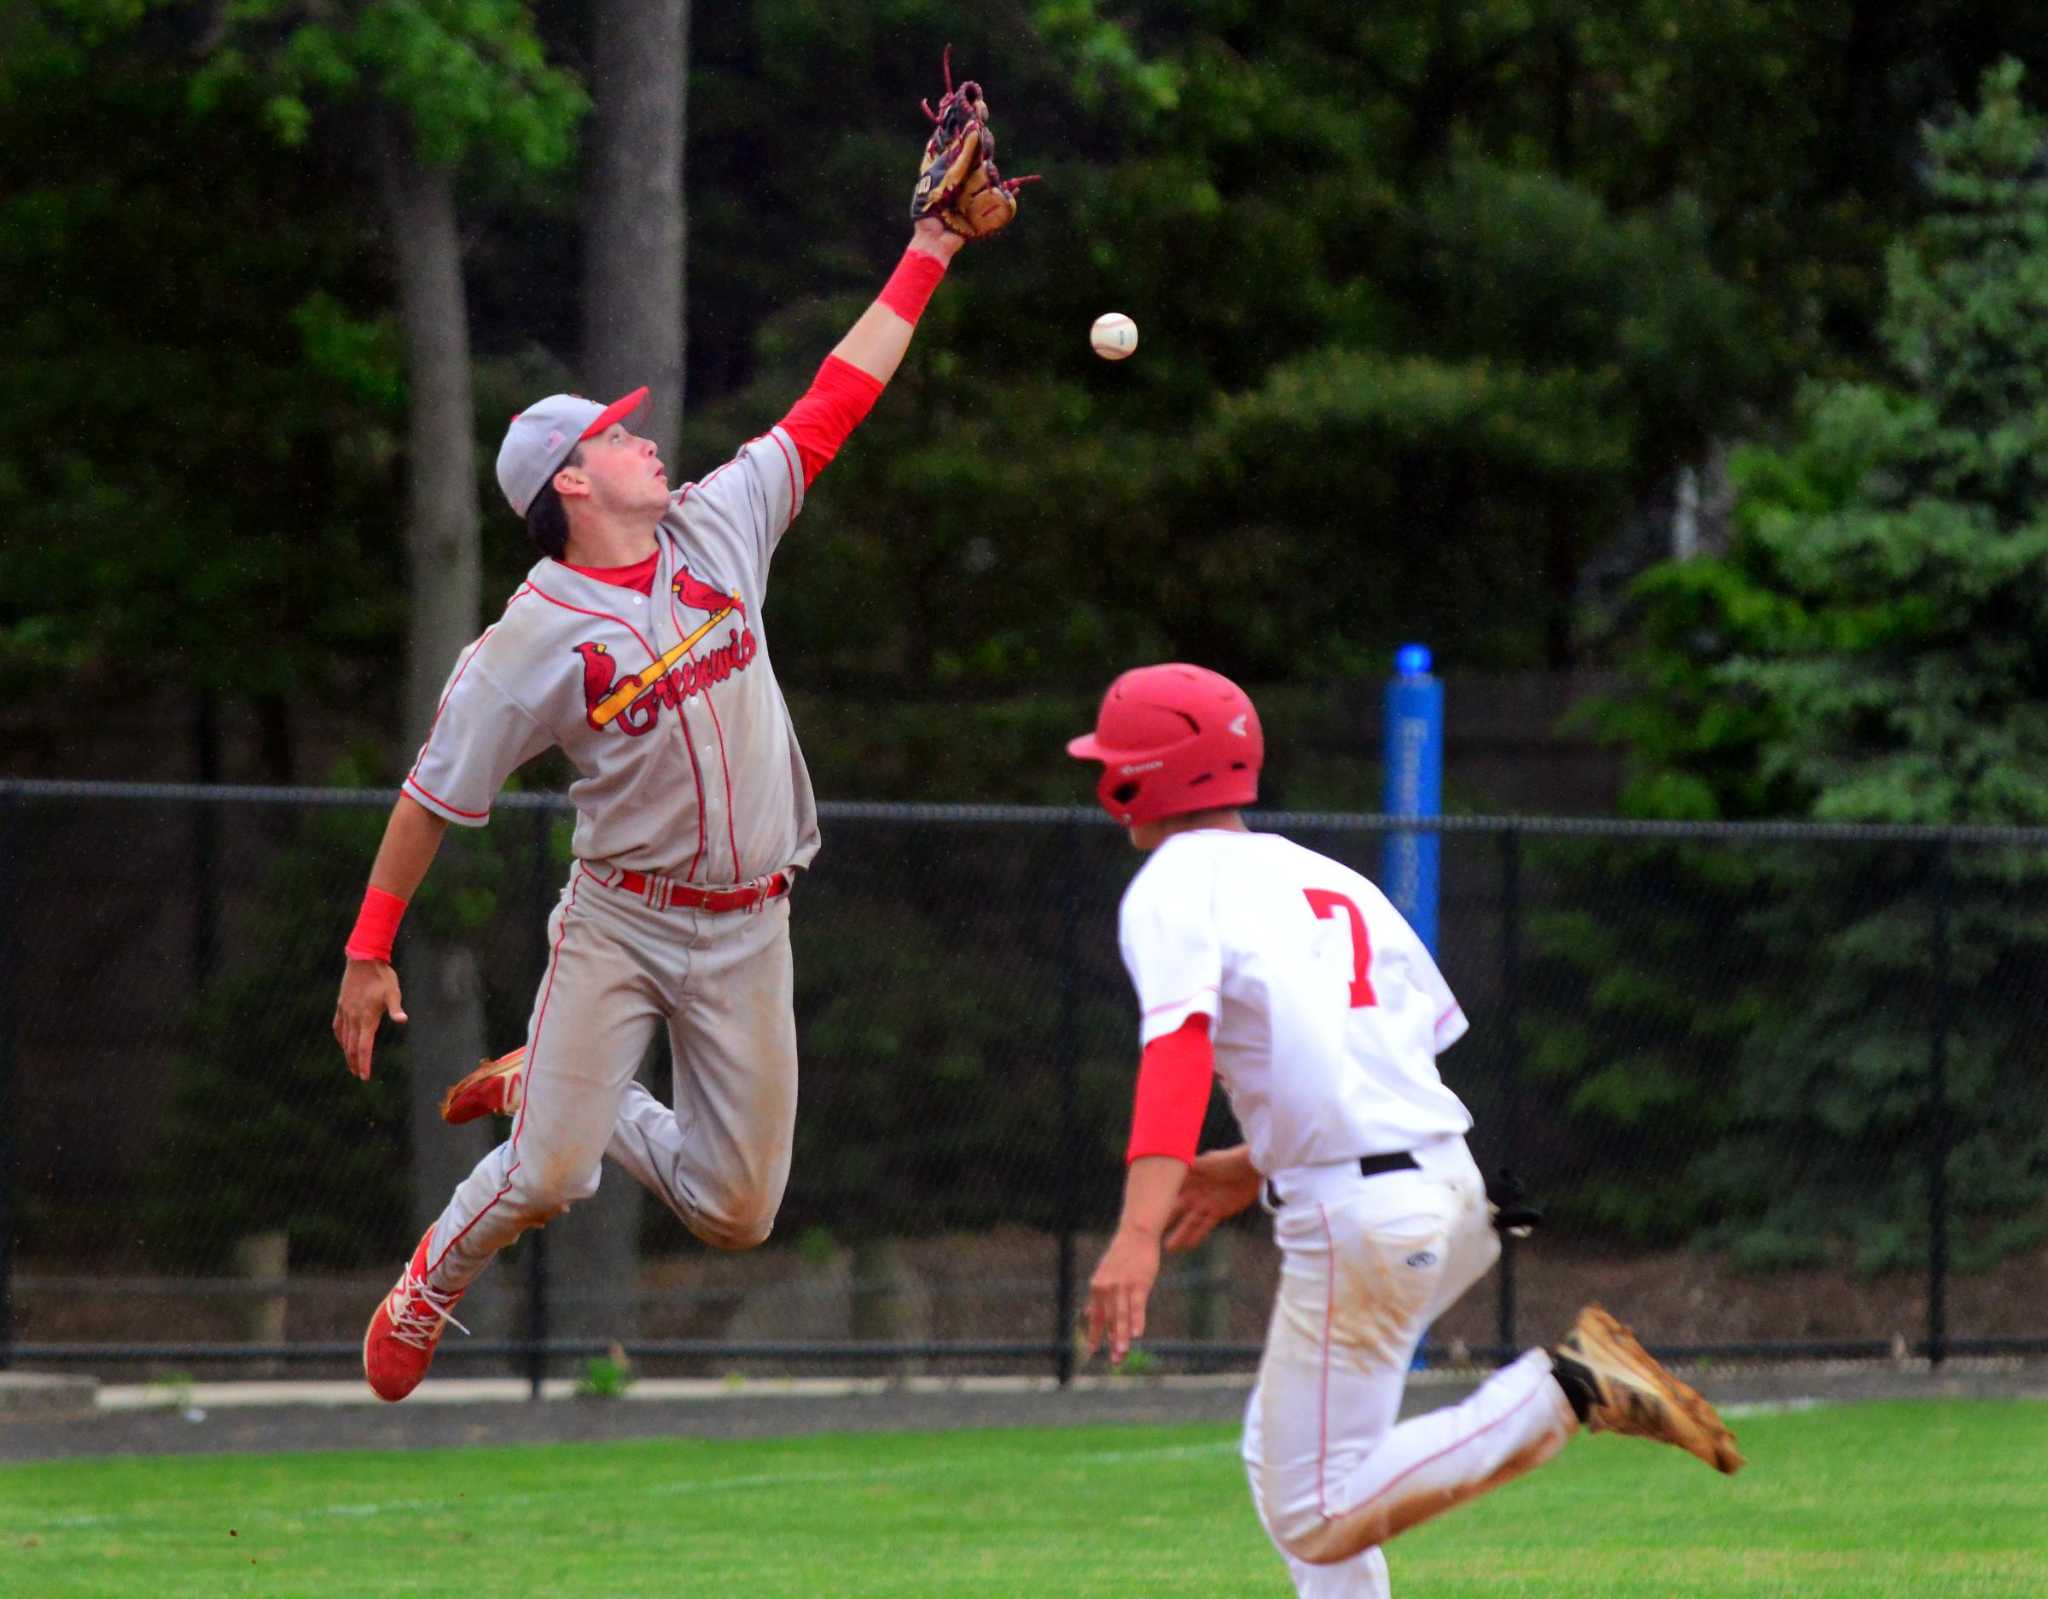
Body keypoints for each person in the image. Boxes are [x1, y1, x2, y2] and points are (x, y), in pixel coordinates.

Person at [331, 215, 970, 1402]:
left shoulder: (716, 525)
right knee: (547, 1177)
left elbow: (834, 400)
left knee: (739, 1211)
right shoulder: (527, 640)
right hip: (621, 923)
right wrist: (369, 952)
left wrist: (929, 246)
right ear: (570, 483)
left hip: (750, 924)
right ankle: (431, 1276)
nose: (642, 438)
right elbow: (429, 799)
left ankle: (562, 1087)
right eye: (615, 436)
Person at [1068, 662, 1743, 1597]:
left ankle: (1572, 1385)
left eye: (1113, 759)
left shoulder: (1173, 883)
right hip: (1448, 1188)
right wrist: (1252, 1165)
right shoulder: (1321, 876)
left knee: (1315, 1508)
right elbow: (1382, 1060)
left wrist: (1138, 1232)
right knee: (1285, 1458)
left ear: (1140, 778)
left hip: (1362, 1217)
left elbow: (1177, 1055)